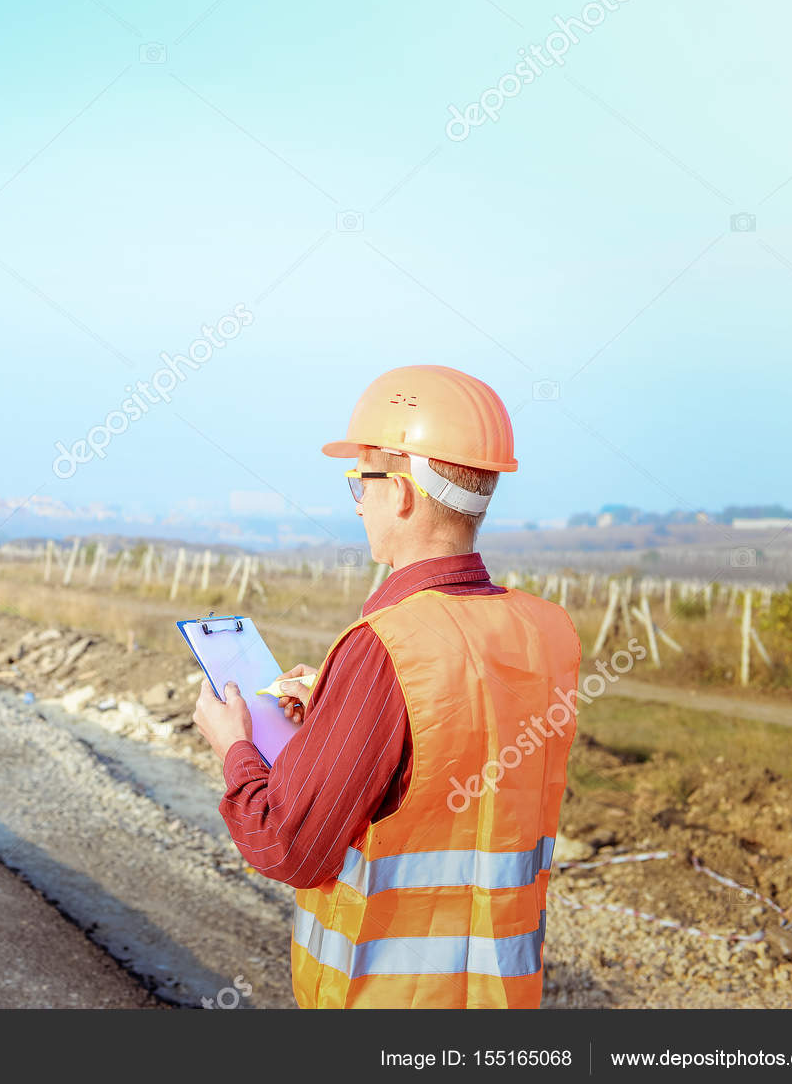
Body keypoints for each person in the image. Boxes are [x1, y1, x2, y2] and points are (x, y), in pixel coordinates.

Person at [191, 364, 581, 1008]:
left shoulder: (384, 646)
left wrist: (234, 746)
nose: (359, 500)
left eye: (360, 481)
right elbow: (458, 737)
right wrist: (343, 707)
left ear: (400, 491)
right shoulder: (545, 630)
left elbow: (286, 845)